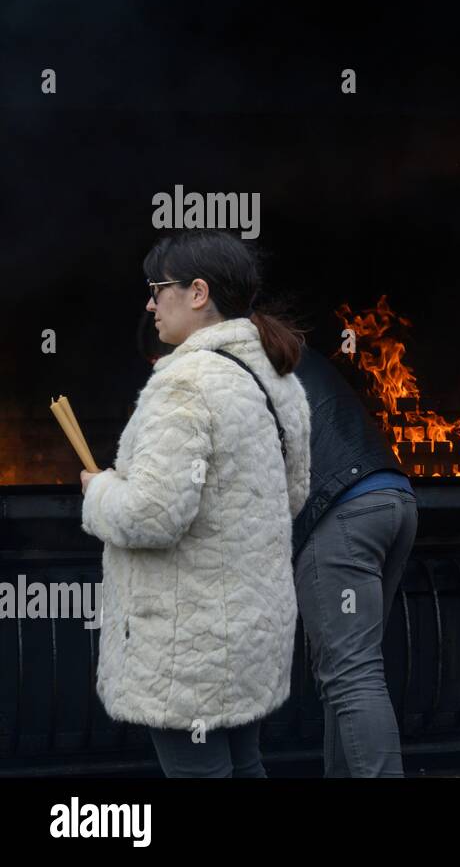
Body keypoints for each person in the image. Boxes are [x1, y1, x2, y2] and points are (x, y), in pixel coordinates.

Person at [80, 229, 311, 777]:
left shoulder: (183, 382)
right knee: (244, 763)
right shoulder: (276, 377)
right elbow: (291, 495)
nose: (150, 302)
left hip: (188, 642)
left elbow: (151, 516)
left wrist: (101, 491)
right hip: (252, 631)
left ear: (198, 292)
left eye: (158, 288)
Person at [291, 346, 418, 777]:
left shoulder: (226, 362)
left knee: (351, 676)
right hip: (392, 496)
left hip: (341, 511)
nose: (152, 306)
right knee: (347, 673)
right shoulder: (292, 353)